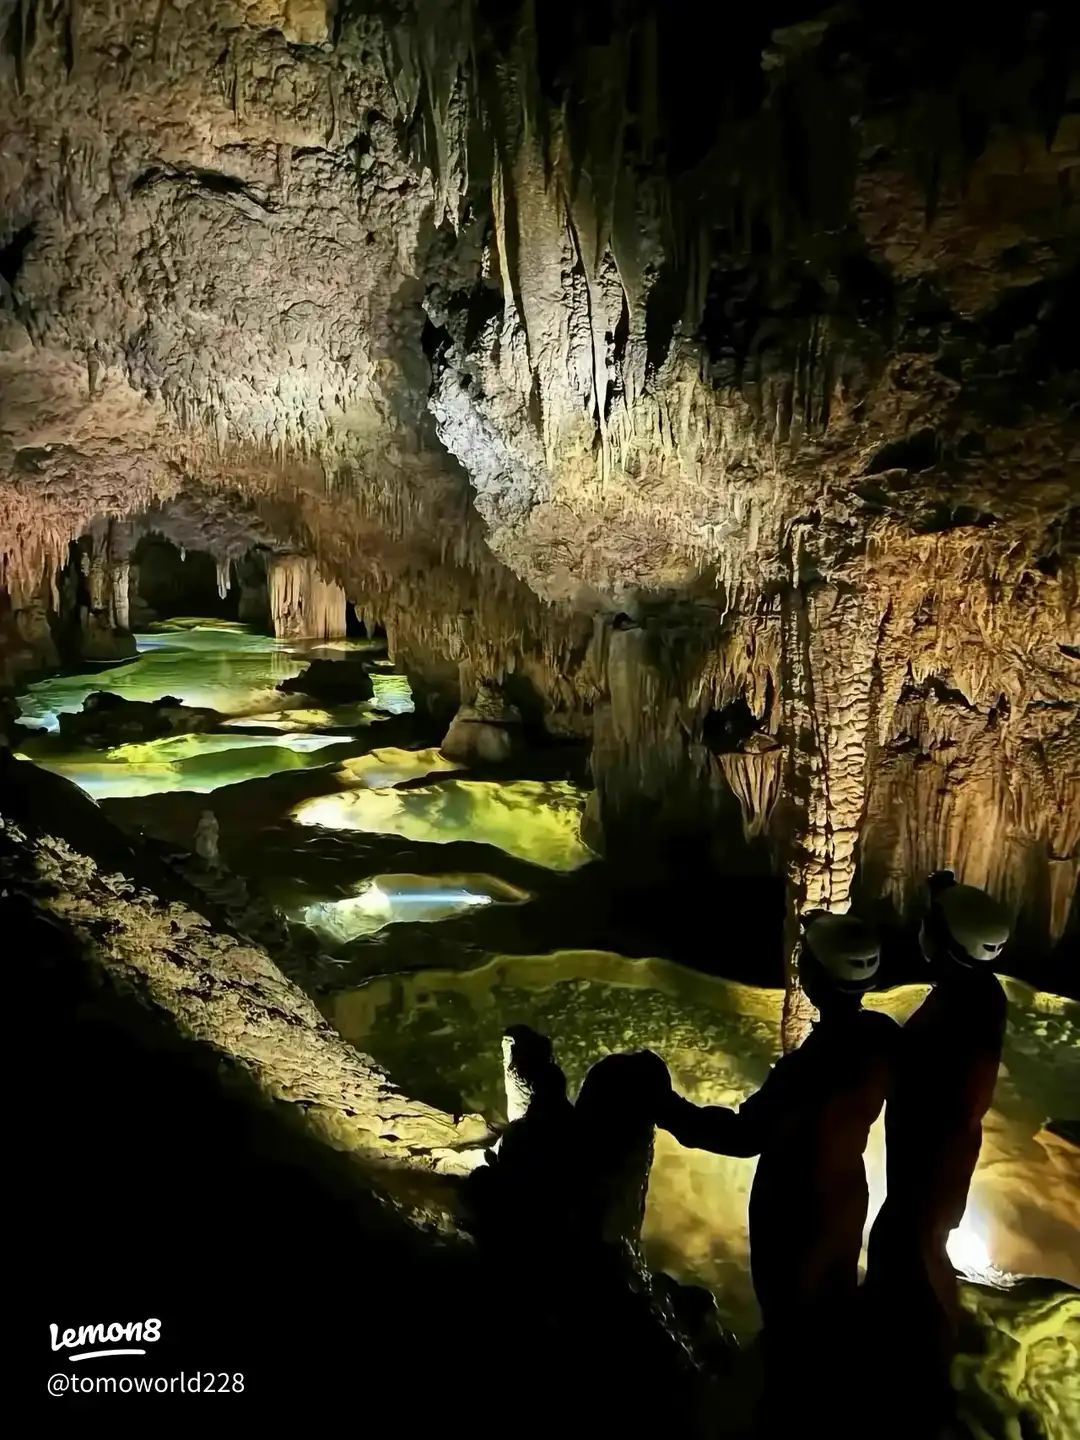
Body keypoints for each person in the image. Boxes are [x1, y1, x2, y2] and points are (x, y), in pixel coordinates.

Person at [656, 912, 897, 1435]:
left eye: (803, 958)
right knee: (831, 1307)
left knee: (791, 1327)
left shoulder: (806, 1070)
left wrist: (668, 1109)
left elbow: (744, 1135)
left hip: (795, 1211)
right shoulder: (882, 1037)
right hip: (845, 1194)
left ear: (813, 978)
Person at [865, 872, 1012, 1434]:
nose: (922, 932)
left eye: (931, 927)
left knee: (909, 1258)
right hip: (945, 1160)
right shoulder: (981, 992)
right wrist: (942, 894)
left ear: (948, 948)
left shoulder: (955, 1020)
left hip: (930, 1164)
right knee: (915, 1249)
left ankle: (923, 1396)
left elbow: (923, 1072)